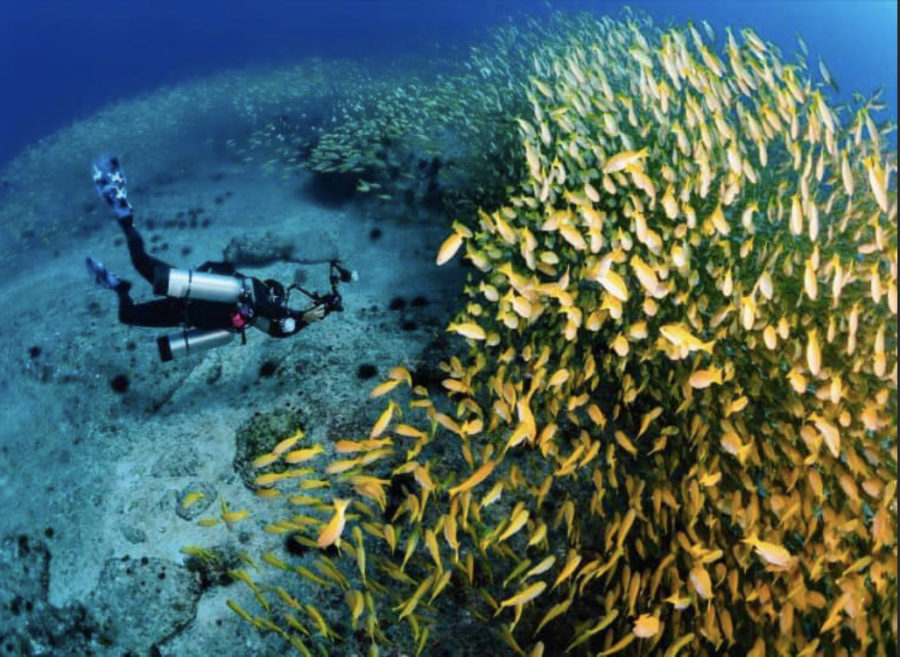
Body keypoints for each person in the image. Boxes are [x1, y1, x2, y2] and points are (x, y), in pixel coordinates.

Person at [86, 155, 351, 361]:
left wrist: (312, 314)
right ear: (270, 289)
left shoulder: (251, 312)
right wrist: (302, 316)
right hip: (182, 292)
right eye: (277, 294)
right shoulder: (251, 291)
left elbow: (279, 330)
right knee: (137, 276)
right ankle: (124, 221)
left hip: (180, 303)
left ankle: (121, 270)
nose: (277, 299)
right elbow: (279, 318)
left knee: (132, 299)